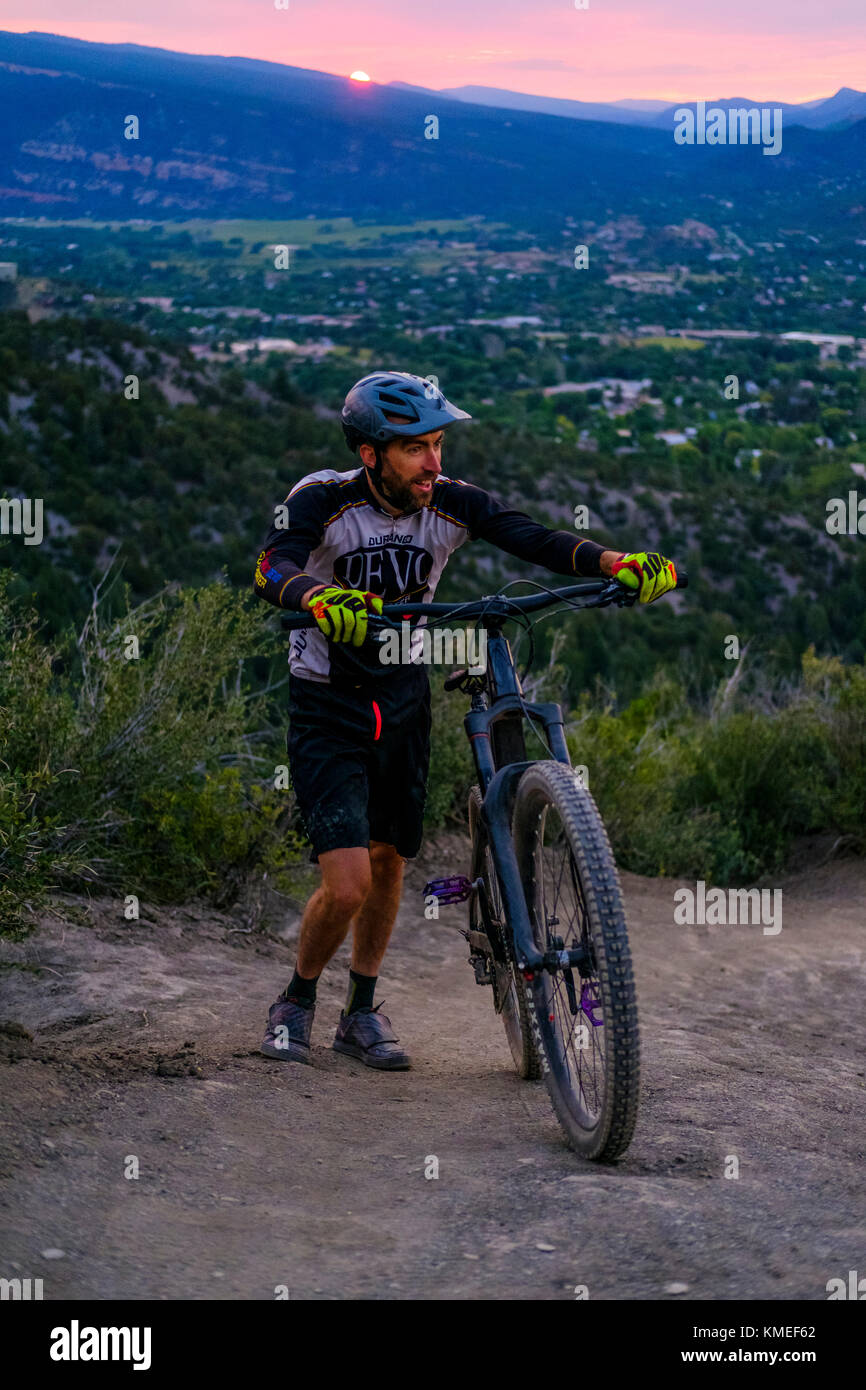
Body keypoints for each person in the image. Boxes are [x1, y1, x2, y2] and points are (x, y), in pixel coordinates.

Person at [253, 371, 677, 1069]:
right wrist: (320, 598)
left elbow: (533, 538)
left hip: (404, 695)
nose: (434, 463)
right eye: (417, 449)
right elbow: (272, 566)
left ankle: (360, 1012)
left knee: (391, 861)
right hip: (328, 699)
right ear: (372, 455)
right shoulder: (322, 501)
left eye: (439, 444)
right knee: (350, 881)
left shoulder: (449, 504)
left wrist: (616, 562)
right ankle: (296, 999)